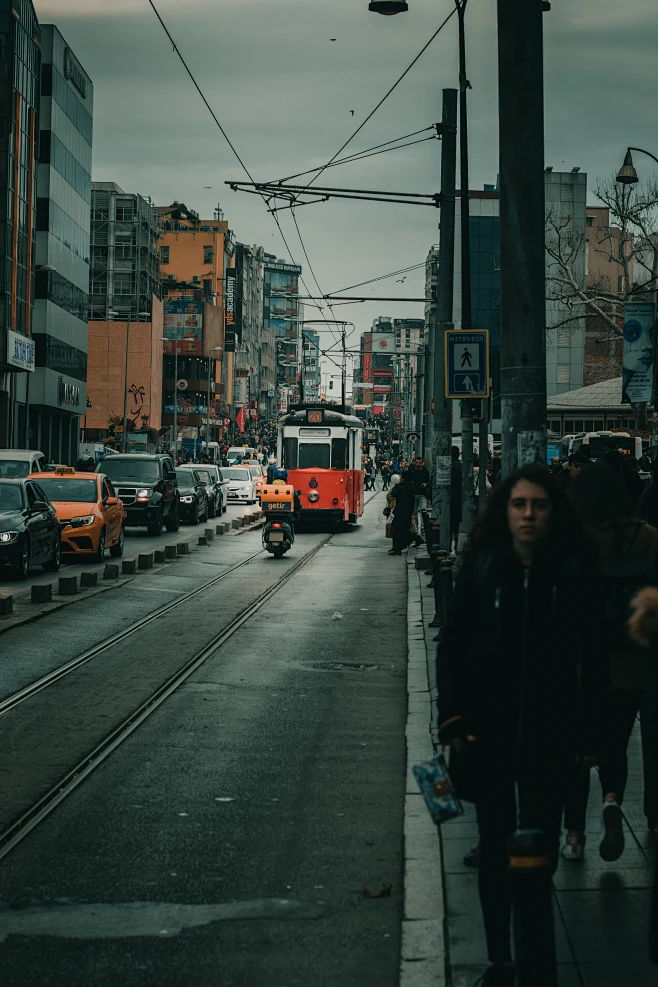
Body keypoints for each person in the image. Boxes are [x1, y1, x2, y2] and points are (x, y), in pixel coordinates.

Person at [437, 465, 602, 987]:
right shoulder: (485, 567)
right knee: (495, 848)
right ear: (505, 512)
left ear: (554, 512)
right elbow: (453, 644)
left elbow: (594, 656)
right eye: (519, 504)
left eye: (539, 504)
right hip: (487, 734)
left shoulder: (571, 570)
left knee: (537, 848)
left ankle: (535, 955)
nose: (529, 514)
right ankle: (500, 958)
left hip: (550, 736)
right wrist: (453, 717)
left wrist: (590, 732)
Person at [561, 460, 658, 861]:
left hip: (582, 663)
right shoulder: (648, 537)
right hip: (636, 661)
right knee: (619, 743)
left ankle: (574, 834)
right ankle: (614, 803)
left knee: (576, 750)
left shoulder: (572, 540)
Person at [387, 471, 418, 555]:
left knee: (397, 529)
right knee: (403, 529)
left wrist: (397, 484)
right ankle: (402, 545)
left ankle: (397, 549)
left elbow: (393, 493)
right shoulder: (411, 486)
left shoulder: (402, 487)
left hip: (401, 511)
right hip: (407, 511)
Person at [410, 457, 431, 528]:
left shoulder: (425, 472)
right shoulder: (411, 472)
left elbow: (428, 482)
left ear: (422, 463)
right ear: (415, 463)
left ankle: (423, 527)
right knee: (414, 513)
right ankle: (415, 527)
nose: (418, 464)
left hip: (422, 494)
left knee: (424, 511)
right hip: (413, 494)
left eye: (419, 463)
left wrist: (425, 484)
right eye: (417, 463)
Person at [450, 446, 462, 551]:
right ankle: (457, 545)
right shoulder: (462, 466)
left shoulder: (445, 466)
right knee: (457, 523)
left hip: (447, 498)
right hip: (460, 498)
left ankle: (446, 545)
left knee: (447, 523)